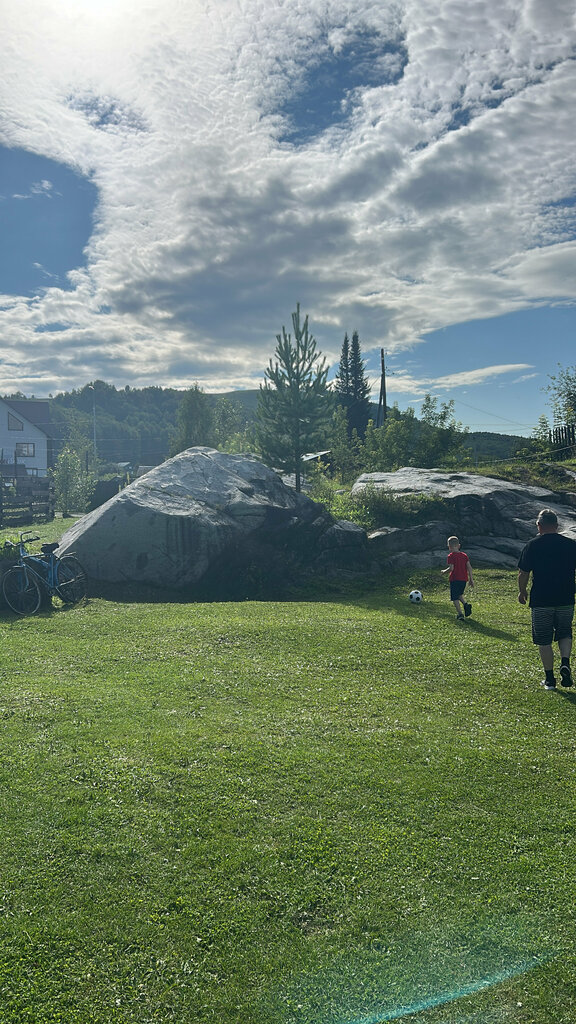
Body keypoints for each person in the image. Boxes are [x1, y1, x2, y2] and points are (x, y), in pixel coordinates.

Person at [518, 508, 576, 690]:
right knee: (565, 632)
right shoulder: (571, 545)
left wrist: (522, 591)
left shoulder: (532, 545)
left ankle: (550, 680)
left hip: (542, 599)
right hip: (566, 597)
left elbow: (523, 573)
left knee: (544, 639)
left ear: (539, 525)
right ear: (557, 526)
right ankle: (565, 661)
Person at [441, 536, 474, 620]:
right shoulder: (464, 555)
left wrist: (444, 572)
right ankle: (466, 605)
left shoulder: (451, 556)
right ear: (459, 546)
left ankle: (460, 614)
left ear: (449, 547)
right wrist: (471, 579)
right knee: (459, 594)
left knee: (454, 597)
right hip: (464, 579)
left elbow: (451, 568)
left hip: (455, 579)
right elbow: (469, 567)